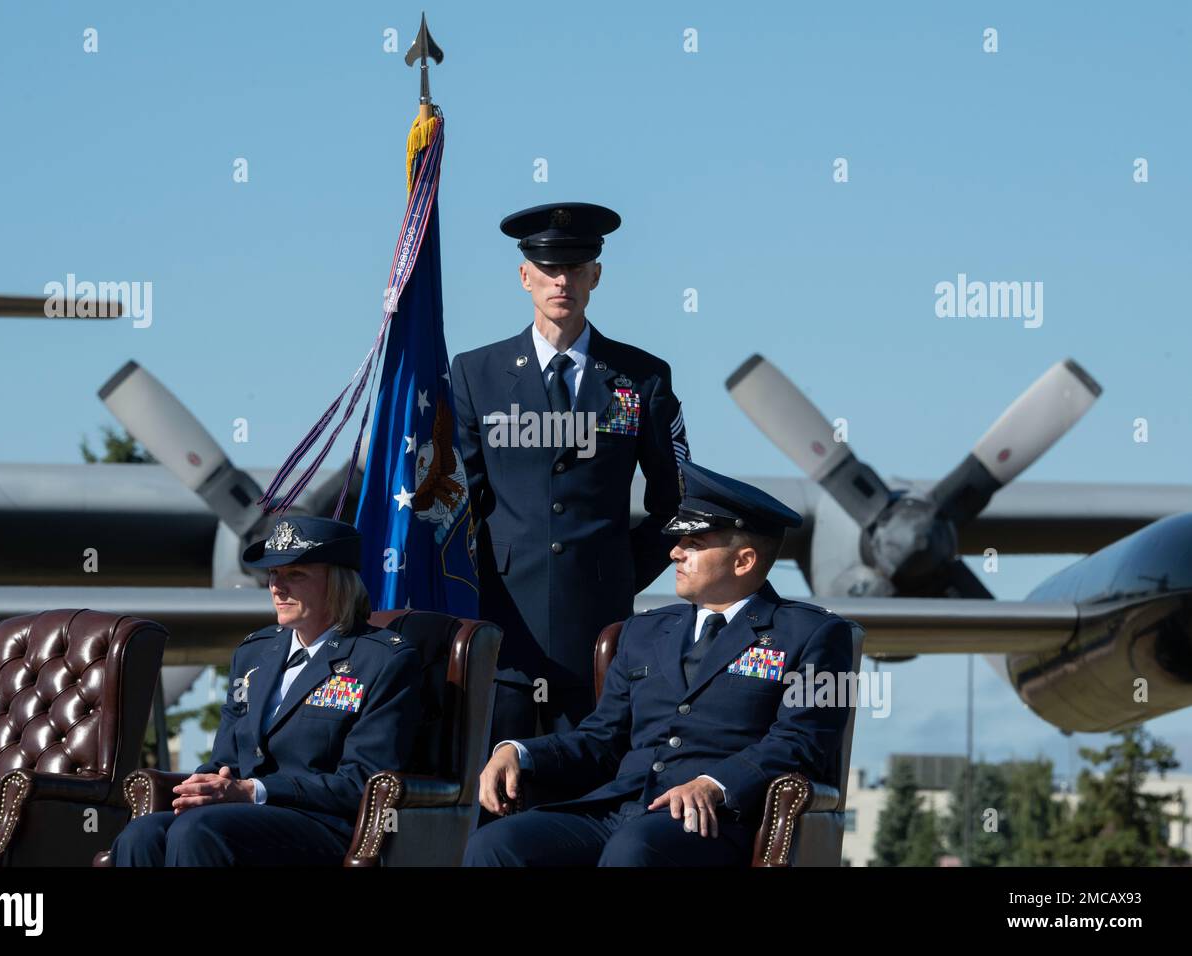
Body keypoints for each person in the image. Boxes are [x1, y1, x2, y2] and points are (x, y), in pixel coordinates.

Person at [462, 462, 855, 866]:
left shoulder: (813, 635)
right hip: (620, 809)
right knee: (496, 845)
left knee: (634, 849)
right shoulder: (643, 632)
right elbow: (601, 739)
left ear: (744, 561)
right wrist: (518, 752)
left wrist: (714, 784)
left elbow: (801, 742)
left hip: (716, 821)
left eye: (695, 543)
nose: (674, 552)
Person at [451, 201, 690, 760]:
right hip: (503, 626)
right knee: (491, 803)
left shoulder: (643, 377)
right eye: (549, 267)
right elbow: (458, 500)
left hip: (598, 629)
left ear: (596, 276)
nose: (563, 280)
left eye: (576, 267)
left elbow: (675, 502)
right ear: (524, 276)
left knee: (588, 792)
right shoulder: (475, 374)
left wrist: (620, 570)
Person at [112, 516, 421, 866]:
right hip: (239, 817)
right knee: (142, 833)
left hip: (325, 824)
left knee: (196, 830)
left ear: (338, 583)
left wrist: (255, 791)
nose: (277, 587)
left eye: (295, 575)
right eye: (273, 574)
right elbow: (226, 760)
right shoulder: (254, 653)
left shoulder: (382, 659)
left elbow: (359, 782)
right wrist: (203, 786)